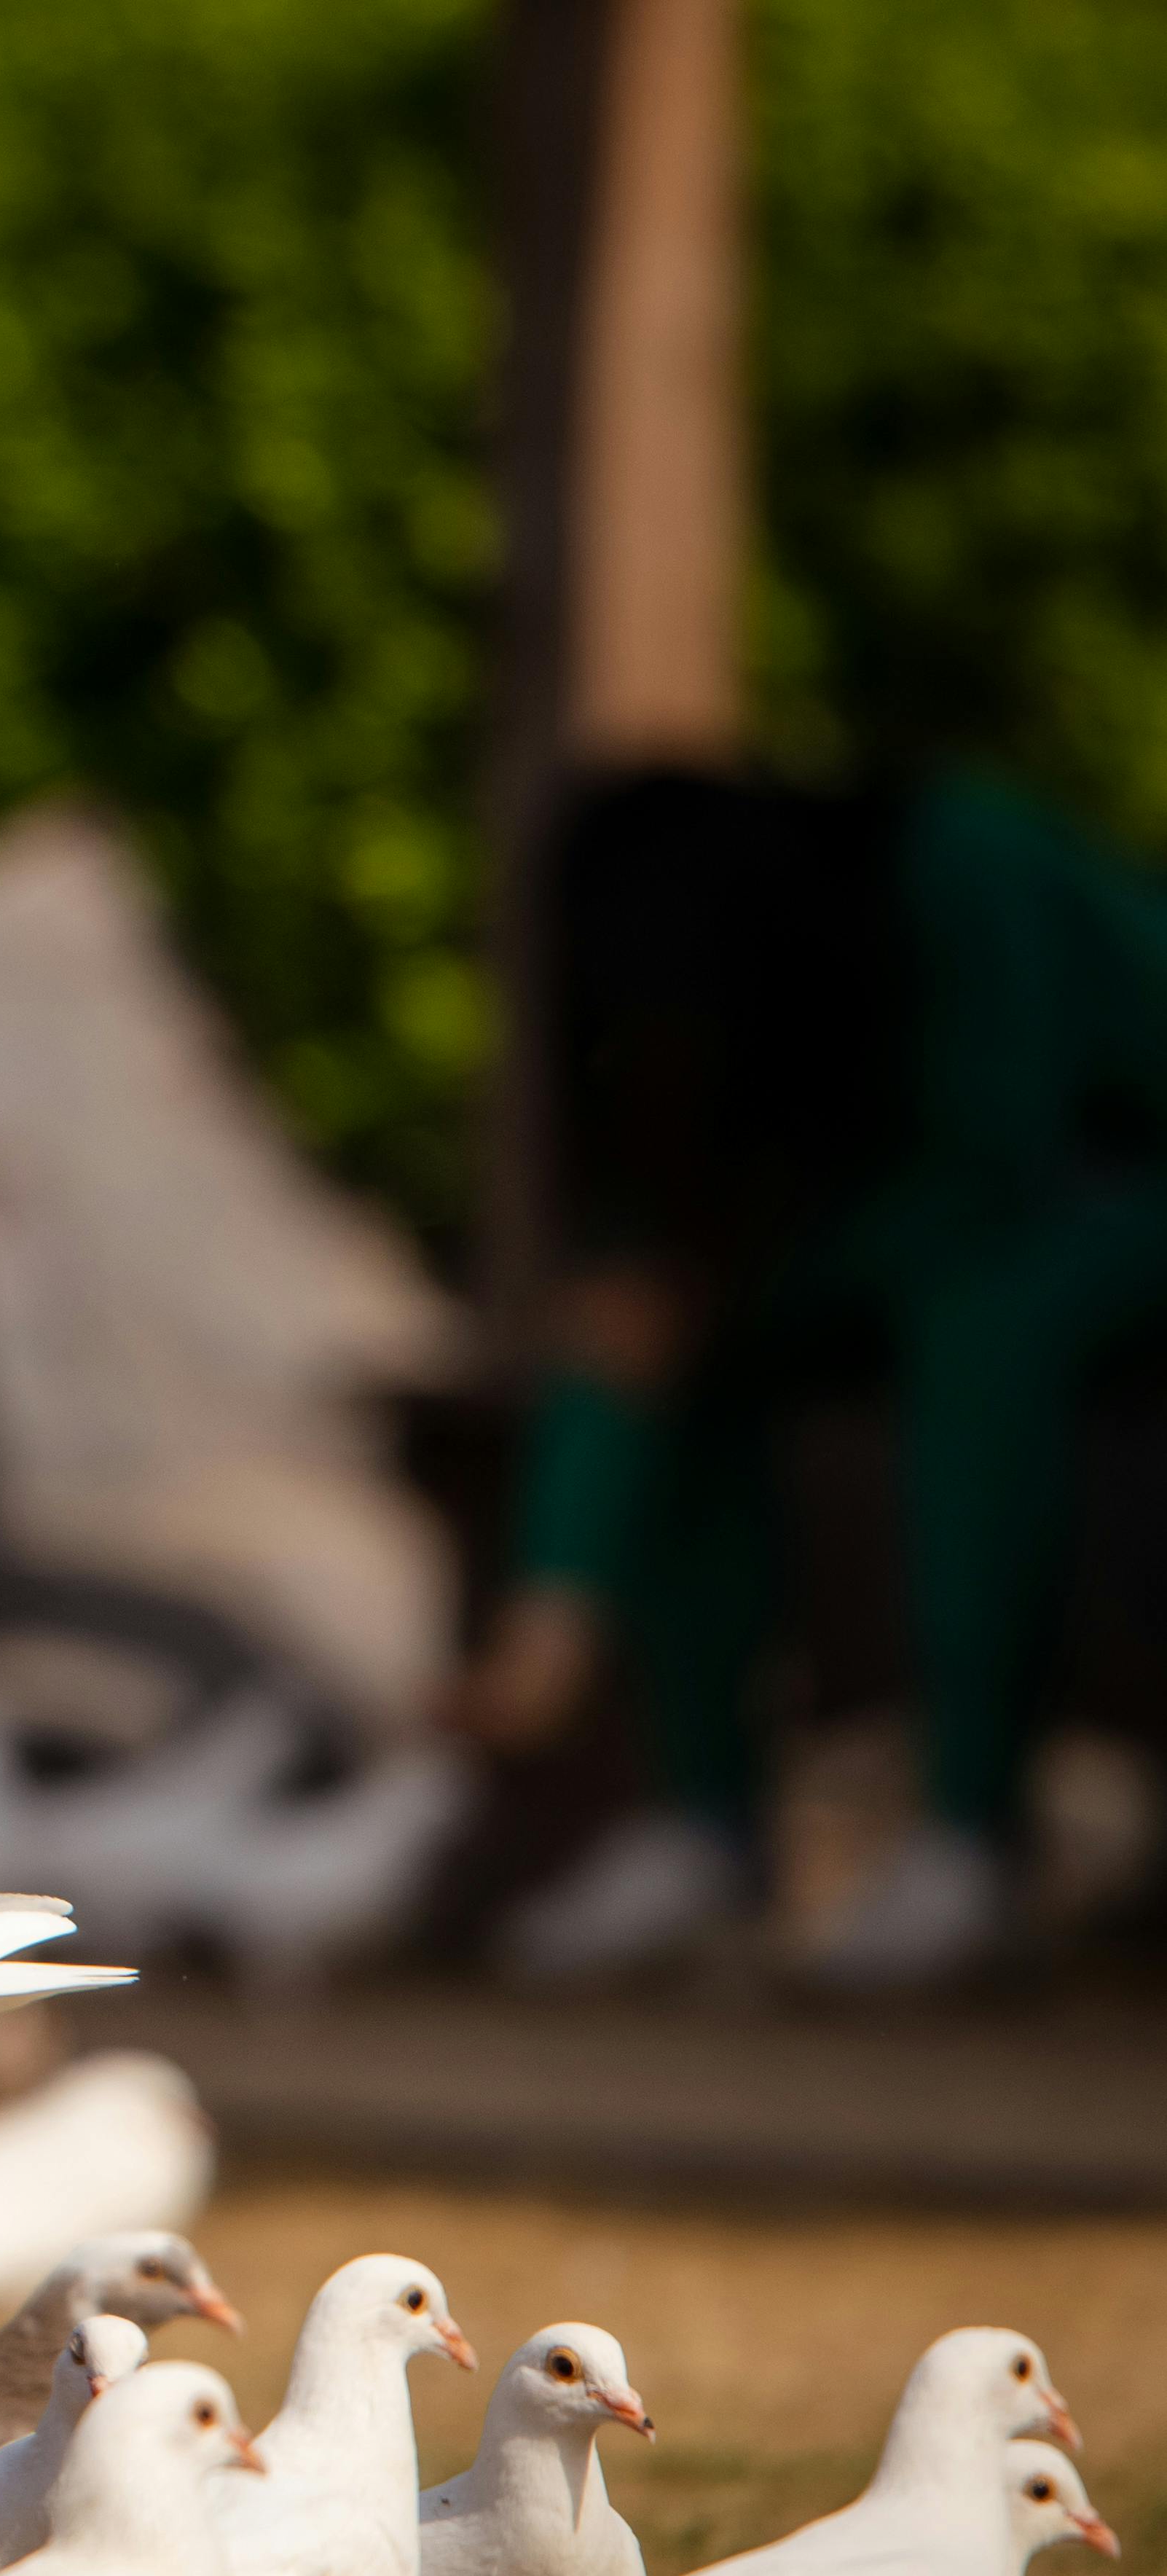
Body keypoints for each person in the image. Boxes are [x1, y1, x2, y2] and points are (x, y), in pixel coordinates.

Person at [476, 769, 1167, 1989]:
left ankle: (972, 1832)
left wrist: (724, 1268)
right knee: (664, 1337)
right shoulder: (714, 1010)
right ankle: (704, 1823)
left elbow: (997, 1163)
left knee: (981, 1338)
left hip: (1100, 1185)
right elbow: (643, 1292)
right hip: (921, 1227)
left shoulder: (966, 861)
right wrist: (560, 1580)